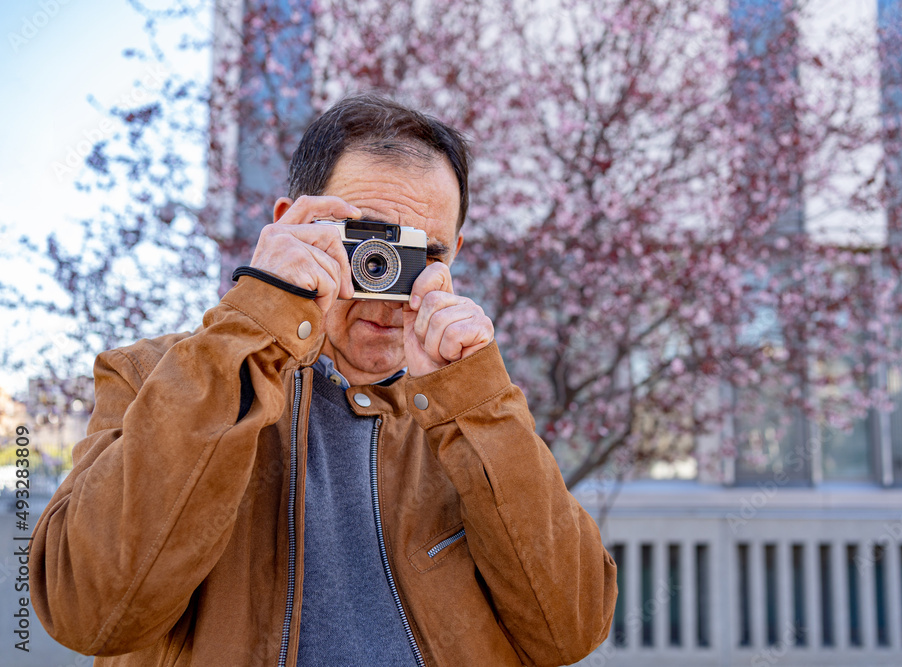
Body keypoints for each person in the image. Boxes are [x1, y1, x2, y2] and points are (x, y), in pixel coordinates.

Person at [30, 94, 617, 666]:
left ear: (455, 254)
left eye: (421, 256)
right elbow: (89, 611)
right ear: (291, 226)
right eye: (361, 244)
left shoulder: (461, 406)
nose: (385, 284)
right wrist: (254, 324)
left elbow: (569, 630)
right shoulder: (154, 376)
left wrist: (473, 399)